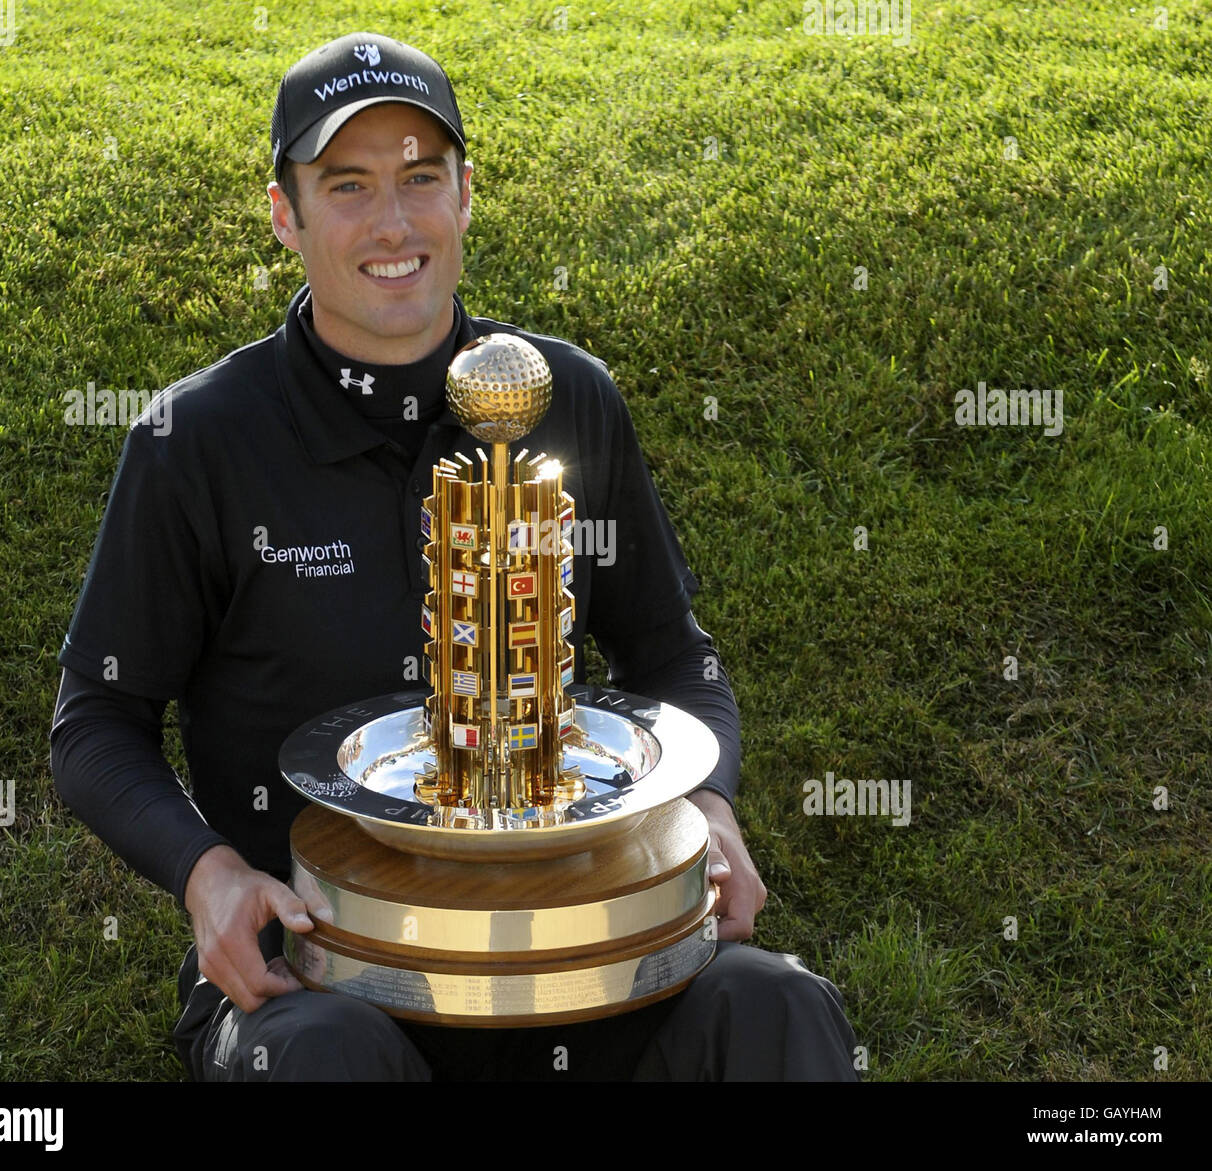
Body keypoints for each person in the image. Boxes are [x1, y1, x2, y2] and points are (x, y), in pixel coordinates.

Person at [49, 31, 860, 1081]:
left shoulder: (567, 399)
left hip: (576, 951)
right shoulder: (197, 440)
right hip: (324, 970)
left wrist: (708, 802)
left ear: (466, 195)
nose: (393, 223)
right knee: (326, 1062)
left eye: (420, 178)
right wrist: (207, 874)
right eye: (347, 186)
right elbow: (94, 724)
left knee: (777, 1007)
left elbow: (673, 660)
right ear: (283, 214)